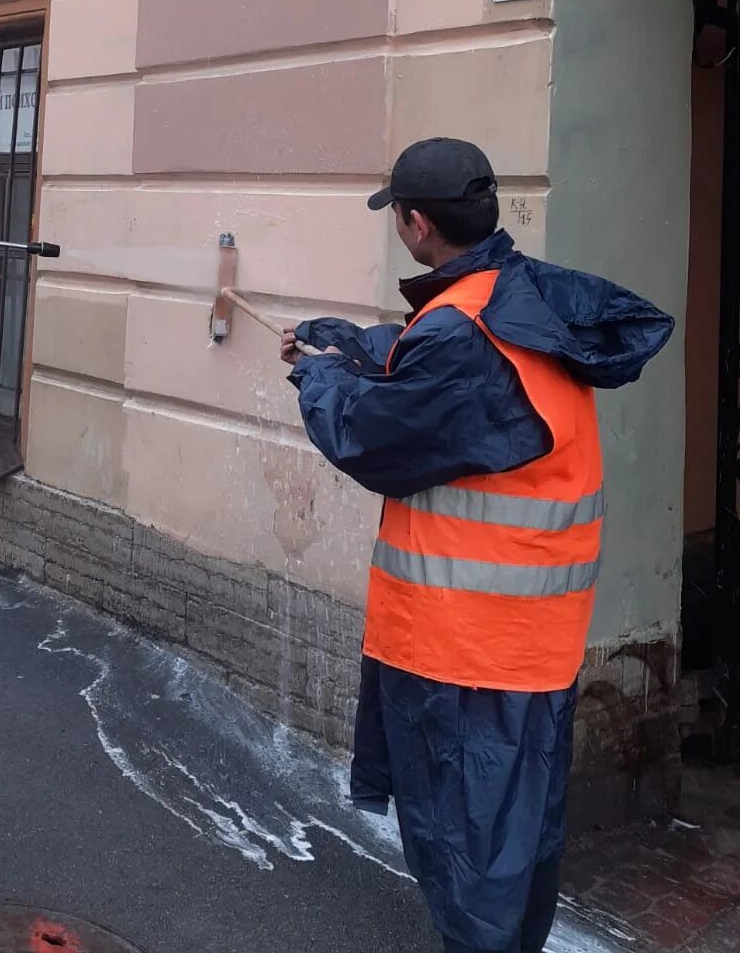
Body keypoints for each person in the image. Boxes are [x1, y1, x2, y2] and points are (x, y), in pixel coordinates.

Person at [280, 138, 673, 953]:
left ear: (418, 224)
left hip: (465, 666)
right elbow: (435, 379)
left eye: (399, 216)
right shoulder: (518, 299)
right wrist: (349, 344)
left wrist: (317, 379)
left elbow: (372, 437)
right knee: (516, 866)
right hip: (530, 657)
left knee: (472, 882)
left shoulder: (465, 339)